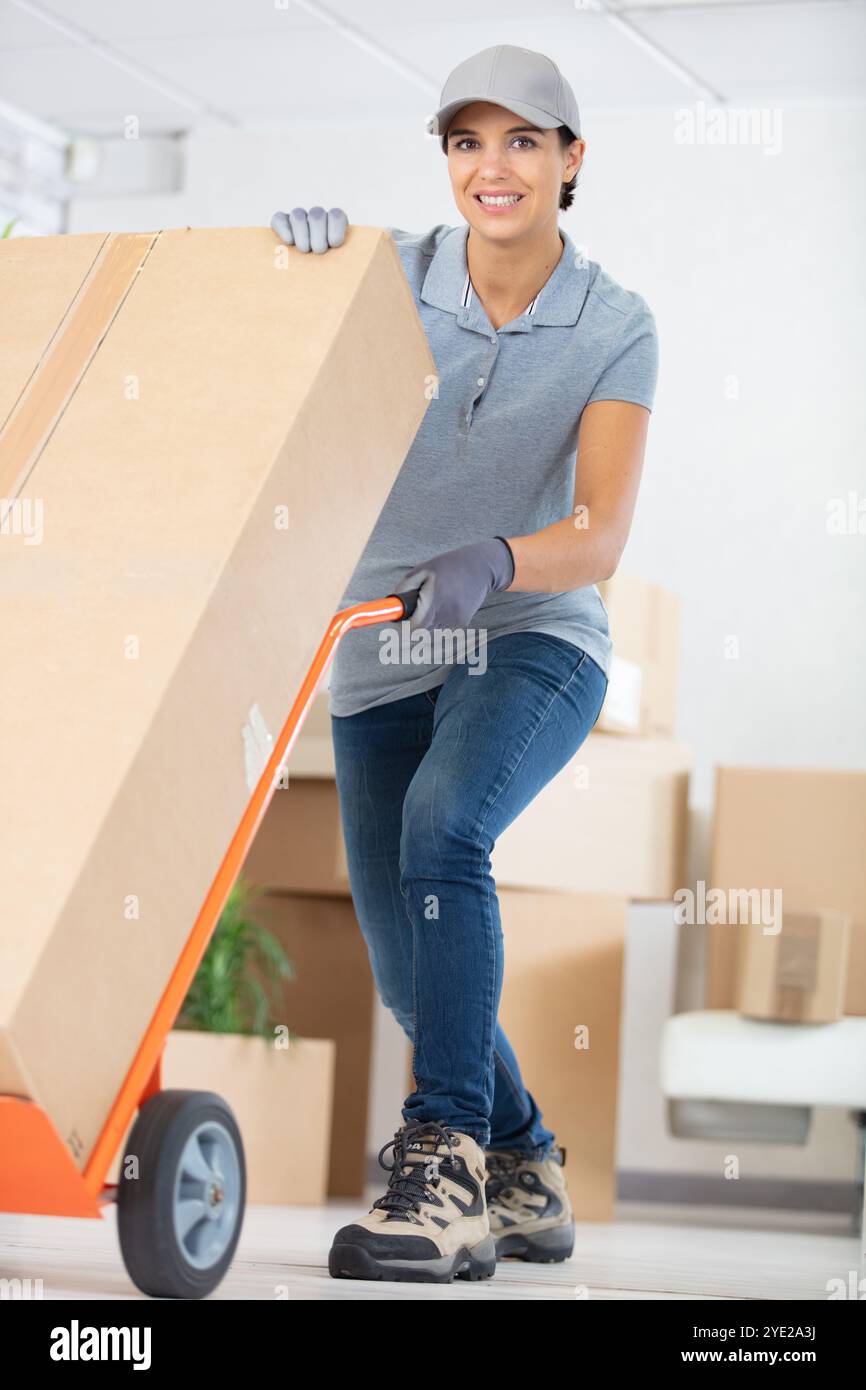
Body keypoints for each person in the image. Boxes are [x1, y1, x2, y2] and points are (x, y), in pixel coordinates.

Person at [272, 43, 658, 1285]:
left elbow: (599, 530)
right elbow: (257, 364)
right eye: (465, 143)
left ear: (569, 160)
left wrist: (495, 557)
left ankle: (441, 1167)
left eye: (522, 141)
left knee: (446, 829)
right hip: (383, 651)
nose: (491, 168)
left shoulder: (614, 325)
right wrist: (286, 268)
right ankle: (525, 1159)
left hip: (531, 636)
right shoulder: (381, 275)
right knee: (405, 962)